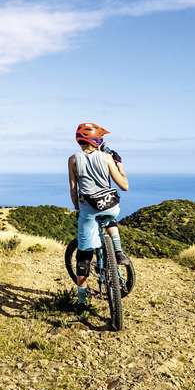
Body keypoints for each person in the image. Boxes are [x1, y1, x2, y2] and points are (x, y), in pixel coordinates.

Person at [68, 122, 129, 306]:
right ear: (97, 140)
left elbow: (73, 190)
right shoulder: (107, 158)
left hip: (88, 209)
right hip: (109, 206)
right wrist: (120, 165)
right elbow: (124, 186)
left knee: (83, 255)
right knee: (110, 217)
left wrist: (78, 209)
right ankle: (118, 252)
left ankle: (82, 299)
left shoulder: (72, 159)